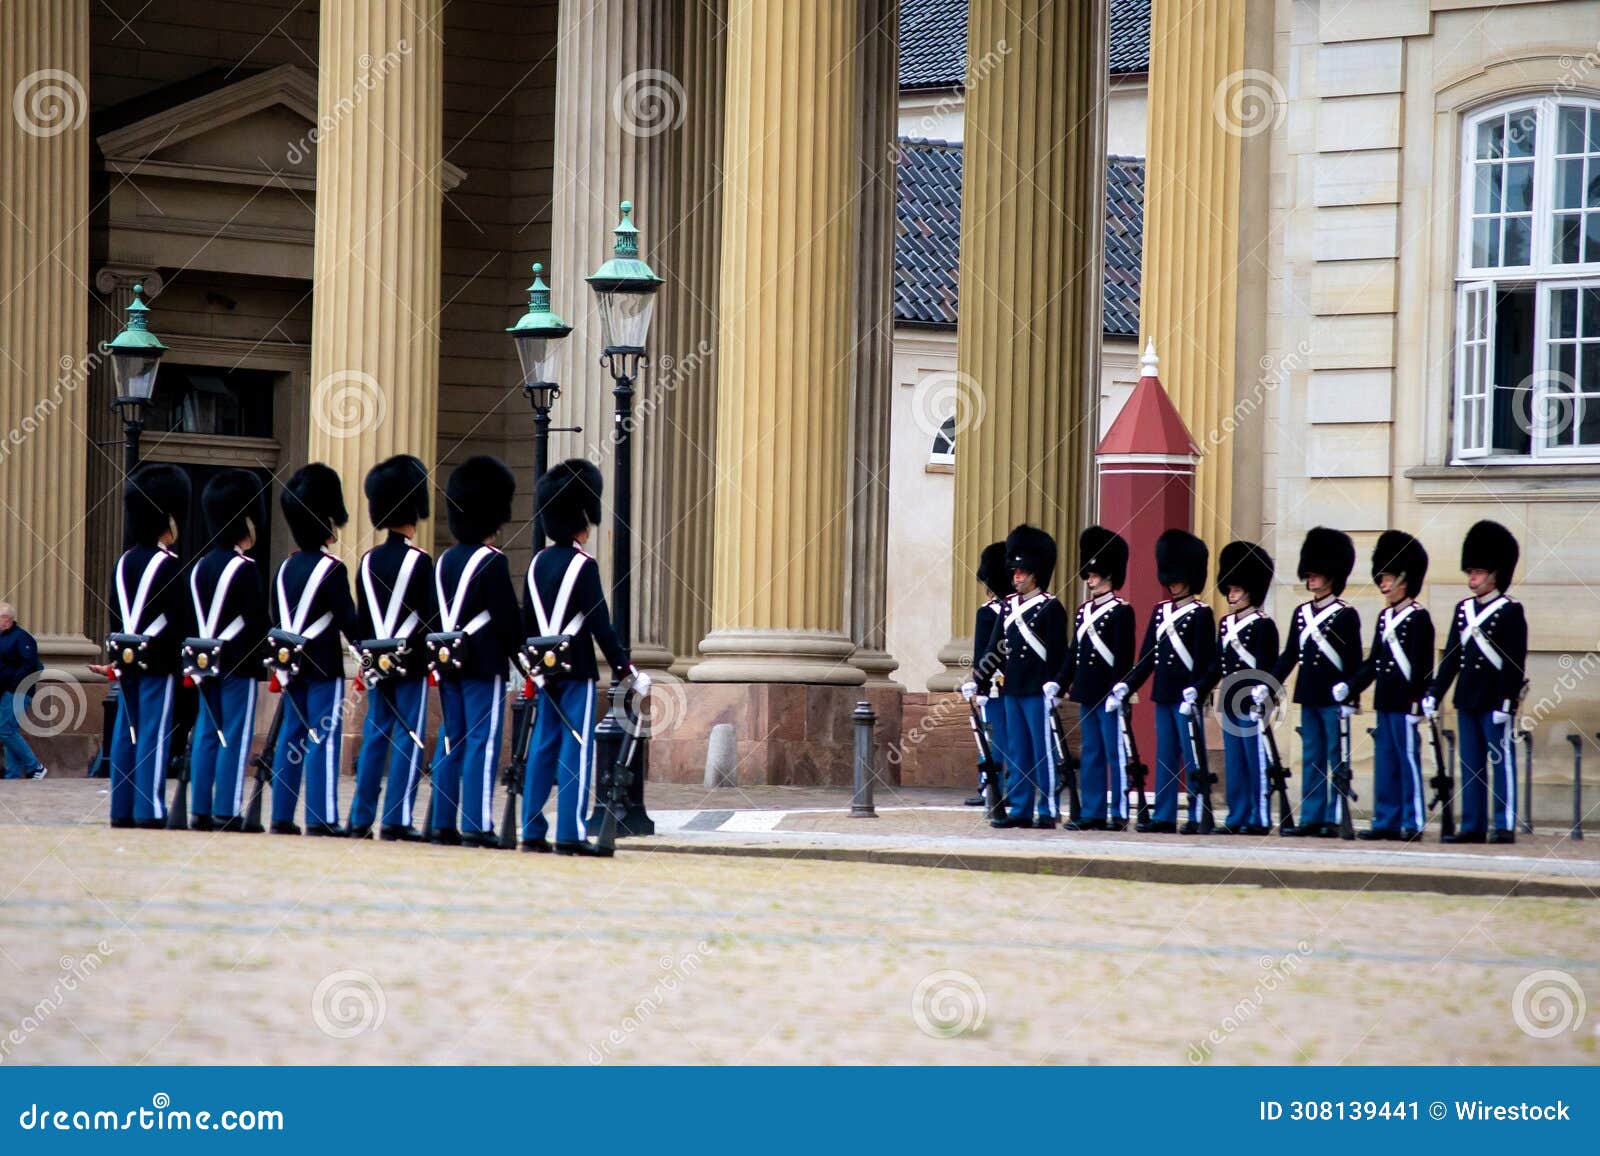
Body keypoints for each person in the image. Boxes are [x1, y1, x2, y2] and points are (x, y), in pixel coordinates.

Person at [521, 459, 647, 855]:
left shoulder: (536, 563)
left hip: (544, 671)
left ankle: (532, 826)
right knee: (575, 745)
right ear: (580, 520)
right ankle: (571, 832)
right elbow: (600, 625)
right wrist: (626, 668)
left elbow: (527, 621)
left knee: (543, 746)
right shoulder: (583, 565)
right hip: (575, 670)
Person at [430, 456, 523, 848]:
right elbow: (507, 622)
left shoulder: (444, 561)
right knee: (481, 741)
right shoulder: (493, 562)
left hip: (449, 661)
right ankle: (476, 822)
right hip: (483, 663)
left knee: (452, 740)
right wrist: (526, 661)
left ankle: (441, 820)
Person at [347, 455, 439, 842]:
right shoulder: (420, 562)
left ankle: (360, 816)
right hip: (411, 662)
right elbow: (433, 619)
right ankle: (397, 817)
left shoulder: (366, 562)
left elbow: (362, 618)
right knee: (408, 736)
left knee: (375, 733)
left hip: (376, 662)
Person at [269, 463, 359, 837]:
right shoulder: (332, 569)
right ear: (326, 519)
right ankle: (322, 817)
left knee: (291, 736)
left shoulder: (285, 569)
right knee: (323, 738)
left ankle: (281, 814)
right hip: (322, 665)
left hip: (291, 667)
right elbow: (349, 621)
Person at [1424, 520, 1527, 845]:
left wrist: (1508, 701)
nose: (1472, 578)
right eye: (1470, 571)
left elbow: (1514, 662)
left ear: (1495, 574)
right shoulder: (1462, 611)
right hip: (1467, 697)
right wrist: (1434, 692)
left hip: (1495, 699)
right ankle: (1473, 824)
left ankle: (1504, 823)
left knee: (1501, 764)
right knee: (1470, 766)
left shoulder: (1510, 611)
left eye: (1478, 572)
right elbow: (1451, 658)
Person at [1259, 526, 1363, 837]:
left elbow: (1353, 663)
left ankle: (1332, 817)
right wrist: (1269, 683)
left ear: (1332, 574)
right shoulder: (1301, 614)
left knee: (1334, 757)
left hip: (1333, 697)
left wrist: (1350, 696)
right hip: (1309, 693)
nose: (1311, 577)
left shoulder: (1346, 614)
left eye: (1317, 572)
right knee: (1312, 757)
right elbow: (1289, 656)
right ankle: (1312, 815)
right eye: (1310, 572)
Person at [106, 464, 194, 828]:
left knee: (125, 732)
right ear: (168, 517)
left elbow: (114, 611)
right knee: (153, 733)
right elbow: (181, 621)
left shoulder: (123, 562)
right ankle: (149, 808)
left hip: (127, 659)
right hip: (159, 661)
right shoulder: (170, 565)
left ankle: (121, 808)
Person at [1112, 530, 1216, 834]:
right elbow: (1147, 658)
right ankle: (1165, 814)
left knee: (1193, 754)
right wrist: (1127, 684)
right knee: (1166, 757)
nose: (1172, 582)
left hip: (1187, 698)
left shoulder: (1201, 614)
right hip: (1163, 694)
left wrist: (1197, 692)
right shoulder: (1160, 612)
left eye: (1178, 576)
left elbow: (1206, 661)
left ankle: (1198, 813)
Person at [184, 470, 269, 830]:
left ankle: (200, 808)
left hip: (206, 664)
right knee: (234, 734)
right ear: (244, 522)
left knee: (206, 733)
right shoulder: (246, 569)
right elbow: (257, 622)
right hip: (238, 664)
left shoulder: (199, 566)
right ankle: (227, 808)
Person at [1343, 531, 1434, 842]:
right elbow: (1374, 662)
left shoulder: (1419, 618)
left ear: (1404, 580)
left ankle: (1413, 820)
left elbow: (1423, 667)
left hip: (1406, 702)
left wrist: (1420, 702)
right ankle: (1386, 820)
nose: (1383, 583)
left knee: (1407, 763)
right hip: (1385, 700)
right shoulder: (1385, 617)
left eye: (1389, 578)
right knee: (1385, 763)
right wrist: (1351, 686)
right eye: (1382, 577)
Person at [985, 524, 1069, 830]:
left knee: (1041, 750)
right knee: (1018, 751)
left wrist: (1057, 685)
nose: (1017, 576)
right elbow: (994, 648)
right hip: (1013, 689)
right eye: (1015, 571)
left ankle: (1046, 808)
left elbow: (1060, 653)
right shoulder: (1008, 607)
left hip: (1038, 689)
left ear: (1036, 573)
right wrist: (979, 680)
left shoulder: (1050, 607)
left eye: (1022, 571)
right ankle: (1020, 808)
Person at [1054, 525, 1134, 830]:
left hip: (1109, 693)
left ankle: (1119, 812)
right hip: (1087, 691)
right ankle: (1092, 811)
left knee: (1115, 753)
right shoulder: (1083, 611)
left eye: (1094, 574)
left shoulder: (1121, 611)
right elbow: (1074, 652)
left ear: (1109, 575)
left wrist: (1119, 690)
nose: (1089, 578)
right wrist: (1059, 683)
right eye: (1088, 574)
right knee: (1091, 753)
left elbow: (1124, 657)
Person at [1198, 541, 1279, 834]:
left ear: (1250, 590)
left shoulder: (1263, 625)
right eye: (1229, 589)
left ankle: (1258, 817)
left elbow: (1268, 666)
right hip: (1230, 699)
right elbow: (1217, 664)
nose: (1231, 595)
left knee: (1254, 761)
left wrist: (1264, 693)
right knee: (1234, 762)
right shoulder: (1225, 624)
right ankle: (1237, 815)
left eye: (1236, 590)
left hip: (1253, 701)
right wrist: (1200, 688)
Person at [959, 541, 1013, 808]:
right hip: (1012, 683)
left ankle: (989, 788)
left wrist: (977, 683)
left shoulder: (987, 612)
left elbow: (983, 653)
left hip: (991, 684)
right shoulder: (1014, 610)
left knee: (990, 737)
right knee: (1010, 737)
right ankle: (1011, 786)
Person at [0, 601, 47, 779]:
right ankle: (13, 774)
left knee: (4, 729)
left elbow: (30, 665)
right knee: (9, 730)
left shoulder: (22, 638)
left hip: (17, 691)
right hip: (7, 691)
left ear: (7, 619)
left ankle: (35, 766)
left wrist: (11, 683)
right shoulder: (3, 637)